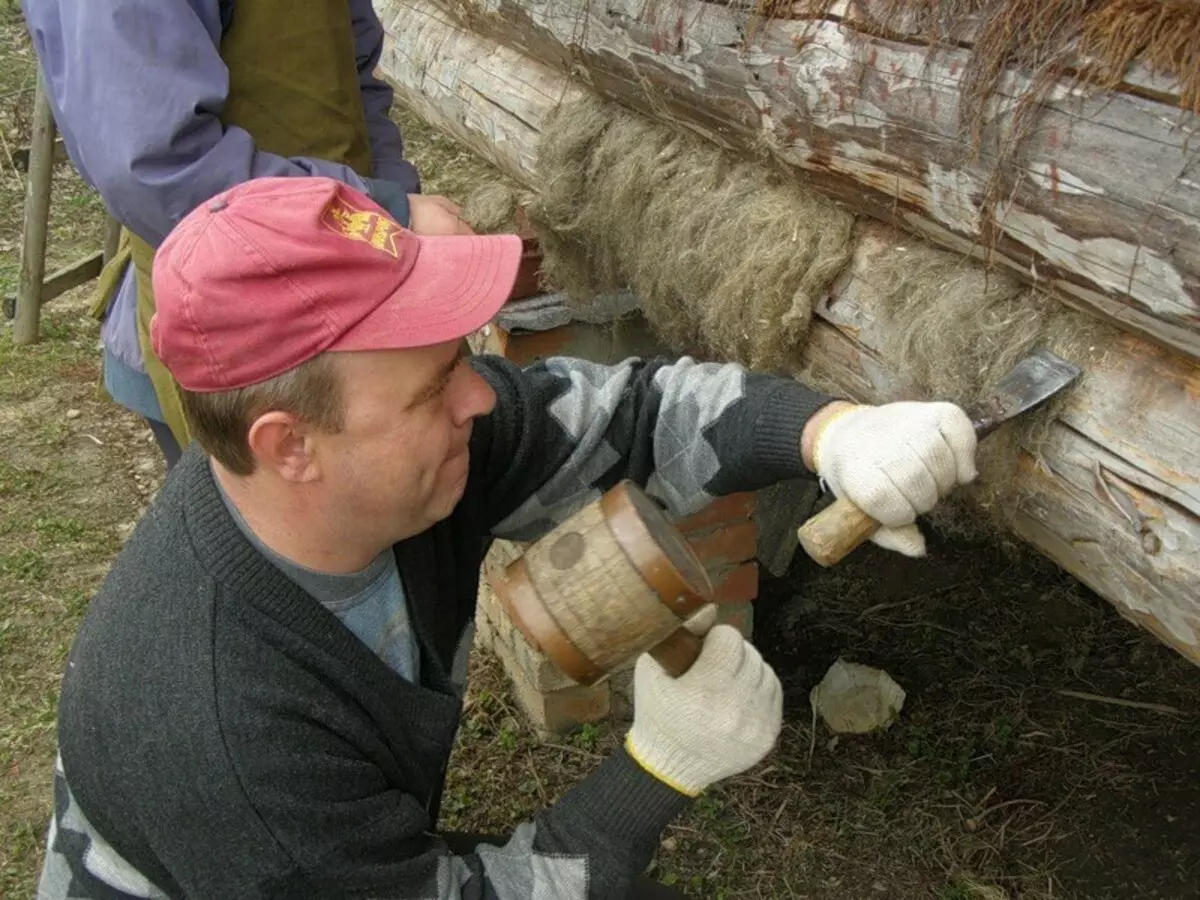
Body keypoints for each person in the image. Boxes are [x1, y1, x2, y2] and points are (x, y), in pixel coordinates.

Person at [36, 176, 979, 899]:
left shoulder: (394, 471)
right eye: (434, 384)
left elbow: (640, 414)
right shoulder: (229, 737)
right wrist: (657, 771)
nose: (479, 398)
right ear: (291, 447)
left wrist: (836, 436)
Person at [20, 0, 469, 469]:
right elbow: (161, 170)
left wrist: (390, 213)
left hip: (348, 279)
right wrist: (382, 212)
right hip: (234, 326)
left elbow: (352, 80)